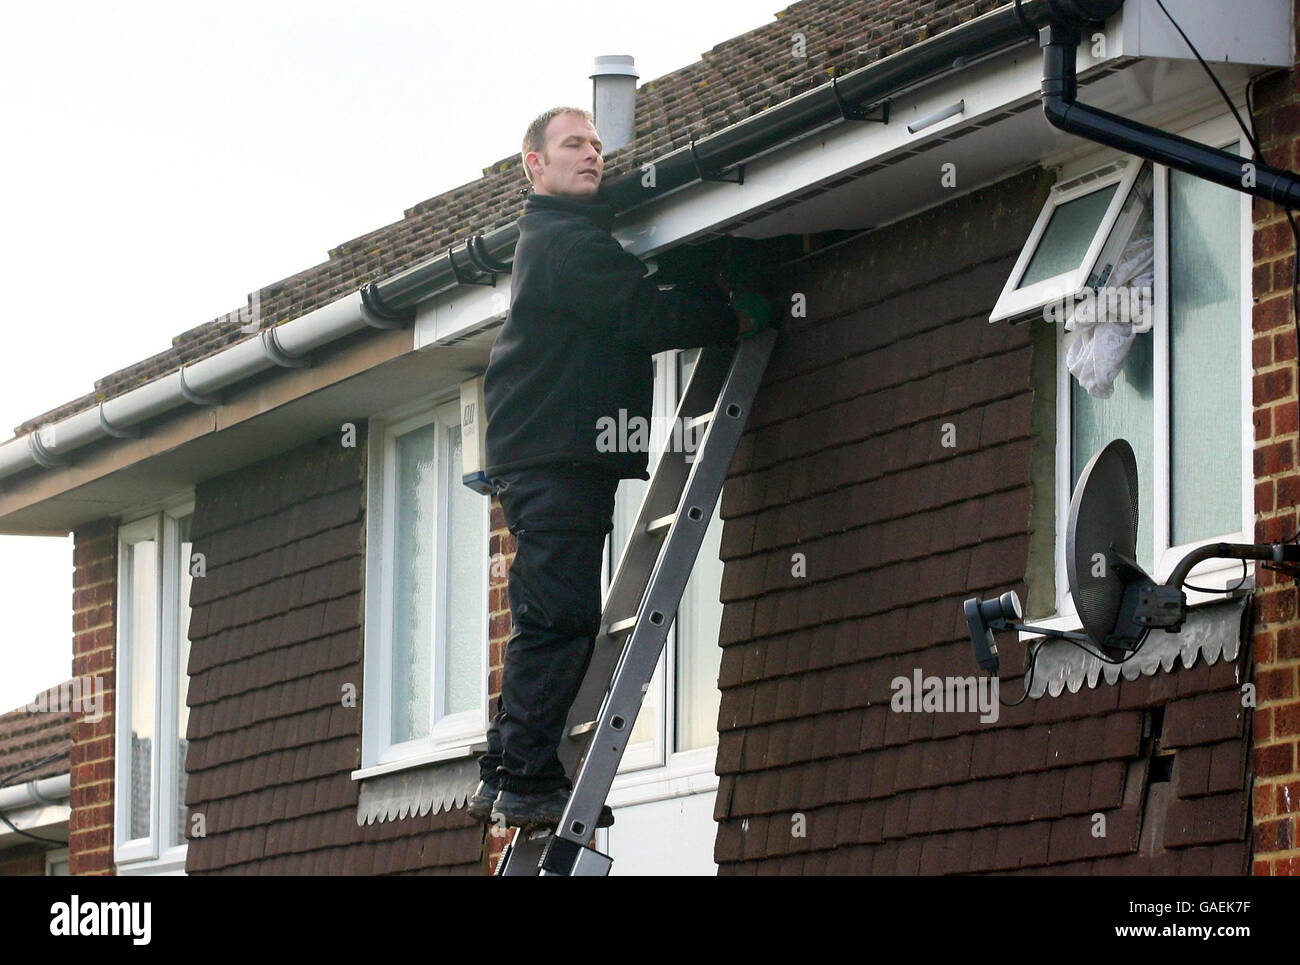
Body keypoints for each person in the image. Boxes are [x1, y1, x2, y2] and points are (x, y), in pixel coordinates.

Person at [468, 106, 774, 830]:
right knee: (560, 616)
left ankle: (502, 767)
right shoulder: (565, 244)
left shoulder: (568, 239)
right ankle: (528, 777)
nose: (593, 154)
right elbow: (645, 315)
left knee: (547, 615)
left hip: (553, 450)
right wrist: (732, 314)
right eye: (574, 144)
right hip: (556, 454)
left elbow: (628, 295)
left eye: (598, 145)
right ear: (533, 164)